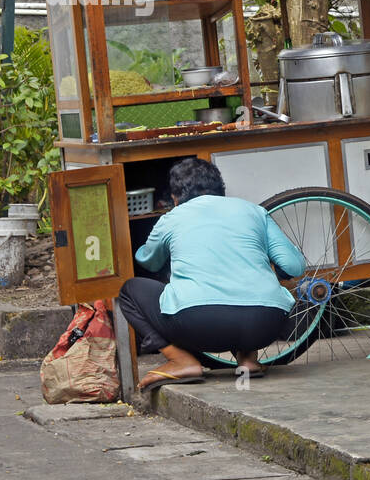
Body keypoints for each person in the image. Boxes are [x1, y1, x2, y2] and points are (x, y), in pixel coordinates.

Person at [119, 157, 307, 390]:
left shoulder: (172, 218)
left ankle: (180, 361)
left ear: (175, 198)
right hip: (266, 325)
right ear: (221, 190)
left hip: (198, 324)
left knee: (129, 290)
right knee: (247, 278)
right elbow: (294, 267)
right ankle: (248, 360)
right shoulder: (254, 211)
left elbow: (149, 261)